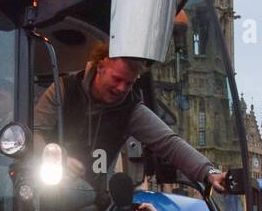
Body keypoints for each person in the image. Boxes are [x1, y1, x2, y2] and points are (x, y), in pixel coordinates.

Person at [33, 42, 227, 197]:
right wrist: (52, 157)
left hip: (92, 196)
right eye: (117, 79)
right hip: (42, 184)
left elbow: (169, 142)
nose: (121, 88)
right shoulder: (64, 89)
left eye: (129, 83)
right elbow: (35, 131)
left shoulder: (131, 109)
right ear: (100, 66)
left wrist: (208, 172)